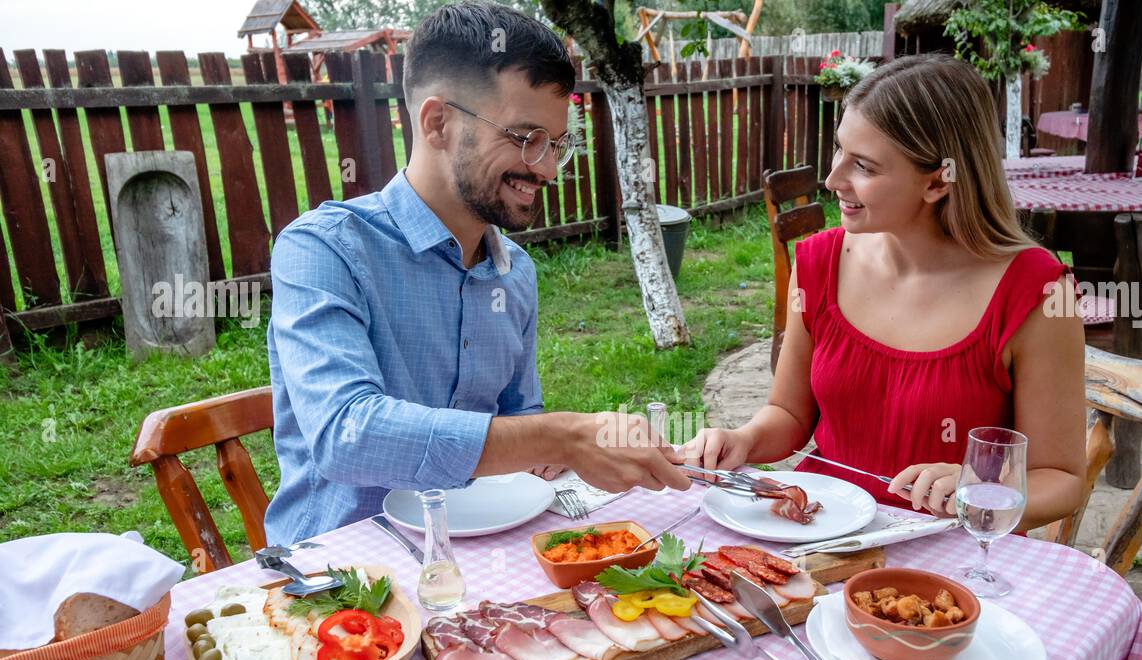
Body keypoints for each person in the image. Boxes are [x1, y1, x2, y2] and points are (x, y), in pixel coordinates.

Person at [264, 1, 688, 544]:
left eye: (556, 144)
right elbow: (347, 435)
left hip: (478, 558)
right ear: (438, 123)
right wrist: (561, 436)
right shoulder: (324, 249)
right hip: (339, 578)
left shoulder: (516, 273)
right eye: (525, 137)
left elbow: (521, 427)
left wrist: (563, 451)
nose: (546, 169)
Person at [682, 54, 1086, 530]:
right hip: (818, 534)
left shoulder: (1036, 294)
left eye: (865, 167)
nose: (833, 180)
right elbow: (788, 413)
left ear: (938, 180)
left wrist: (976, 489)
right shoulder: (817, 264)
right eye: (839, 151)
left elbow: (1060, 478)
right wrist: (744, 440)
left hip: (947, 559)